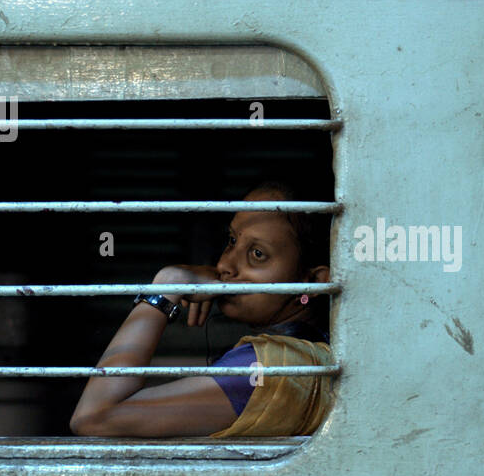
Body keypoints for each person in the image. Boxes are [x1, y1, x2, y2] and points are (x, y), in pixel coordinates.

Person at [70, 182, 332, 437]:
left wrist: (168, 284)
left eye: (258, 254)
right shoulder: (308, 356)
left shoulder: (274, 368)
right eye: (231, 240)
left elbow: (94, 416)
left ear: (311, 283)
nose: (225, 264)